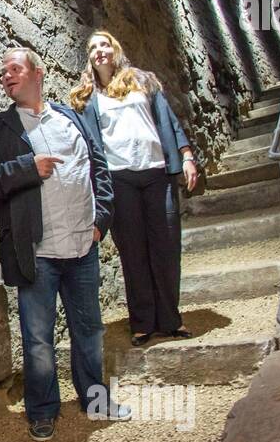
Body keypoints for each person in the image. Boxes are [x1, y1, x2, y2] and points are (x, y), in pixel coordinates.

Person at [0, 46, 129, 441]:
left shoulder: (71, 117)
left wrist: (101, 221)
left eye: (14, 69)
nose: (6, 76)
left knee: (90, 329)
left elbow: (99, 168)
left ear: (37, 73)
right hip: (36, 252)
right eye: (2, 72)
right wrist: (28, 167)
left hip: (82, 246)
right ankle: (42, 410)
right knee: (38, 338)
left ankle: (96, 399)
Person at [69, 31, 199, 346]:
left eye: (104, 44)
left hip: (157, 173)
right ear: (90, 58)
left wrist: (186, 155)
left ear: (115, 49)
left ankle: (170, 319)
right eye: (92, 48)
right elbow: (87, 145)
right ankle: (142, 322)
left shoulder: (143, 82)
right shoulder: (88, 99)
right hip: (120, 180)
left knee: (166, 247)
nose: (99, 51)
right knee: (133, 252)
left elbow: (168, 121)